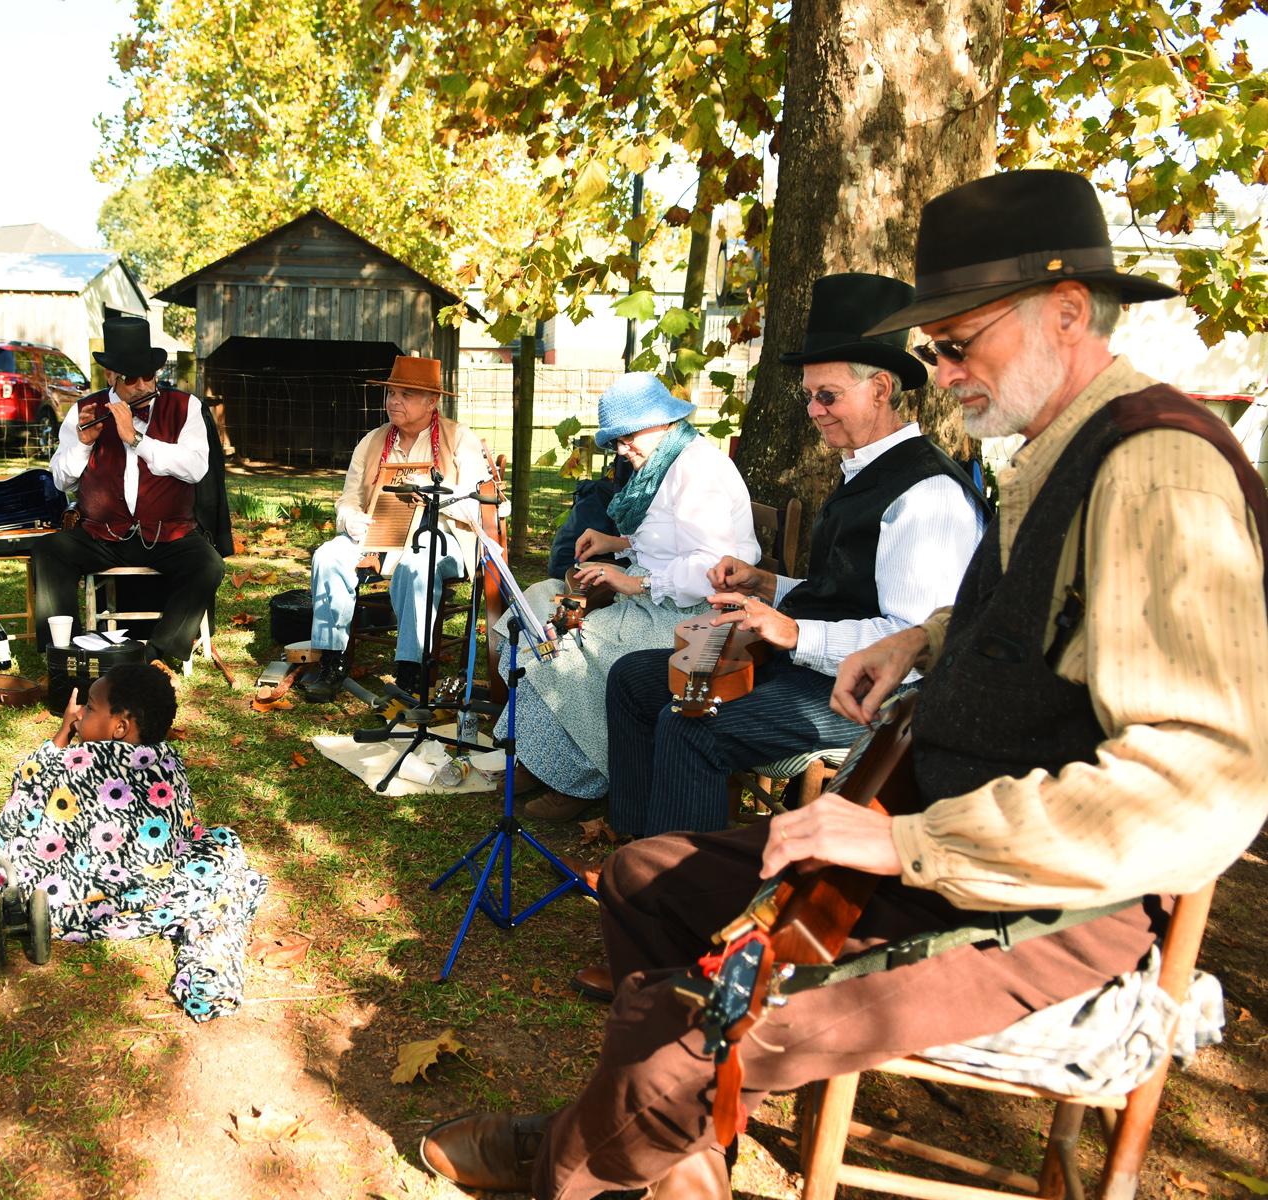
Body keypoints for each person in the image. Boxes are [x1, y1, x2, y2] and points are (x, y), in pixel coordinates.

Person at [416, 168, 1268, 1200]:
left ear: (1069, 310)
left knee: (674, 1033)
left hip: (1042, 904)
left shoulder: (1157, 471)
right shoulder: (1065, 448)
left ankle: (569, 1153)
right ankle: (678, 1163)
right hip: (936, 833)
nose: (943, 373)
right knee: (643, 882)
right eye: (937, 351)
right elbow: (1057, 623)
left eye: (958, 345)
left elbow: (1203, 783)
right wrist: (924, 640)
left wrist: (906, 841)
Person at [600, 272, 987, 841]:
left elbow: (913, 641)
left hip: (877, 696)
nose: (813, 410)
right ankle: (634, 852)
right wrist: (766, 586)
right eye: (808, 396)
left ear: (880, 389)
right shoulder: (867, 469)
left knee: (692, 728)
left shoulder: (926, 495)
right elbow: (845, 593)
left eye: (826, 396)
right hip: (818, 666)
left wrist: (793, 633)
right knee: (634, 677)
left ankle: (677, 890)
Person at [494, 373, 758, 819]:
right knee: (540, 619)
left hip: (696, 616)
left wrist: (632, 582)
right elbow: (669, 541)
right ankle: (542, 762)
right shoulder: (663, 463)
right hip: (662, 600)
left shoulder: (698, 470)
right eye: (615, 440)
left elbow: (713, 568)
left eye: (627, 436)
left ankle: (581, 781)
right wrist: (616, 544)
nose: (621, 449)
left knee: (565, 647)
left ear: (662, 422)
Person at [0, 663, 268, 1021]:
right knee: (219, 848)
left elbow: (28, 784)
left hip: (91, 886)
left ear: (119, 727)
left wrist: (63, 733)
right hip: (163, 875)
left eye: (90, 707)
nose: (81, 713)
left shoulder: (79, 763)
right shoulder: (167, 760)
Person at [32, 315, 225, 669]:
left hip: (169, 533)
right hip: (103, 535)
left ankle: (156, 653)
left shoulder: (186, 408)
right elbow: (61, 480)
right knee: (48, 550)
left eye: (148, 376)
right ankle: (65, 651)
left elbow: (196, 468)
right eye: (131, 378)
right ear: (111, 377)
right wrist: (83, 447)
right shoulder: (83, 411)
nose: (141, 385)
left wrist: (137, 440)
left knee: (208, 564)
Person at [298, 355, 493, 701]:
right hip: (377, 536)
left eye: (405, 394)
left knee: (417, 564)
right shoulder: (372, 440)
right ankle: (332, 662)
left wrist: (435, 493)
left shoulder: (459, 439)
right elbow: (348, 500)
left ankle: (409, 673)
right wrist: (350, 519)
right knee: (328, 555)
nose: (393, 401)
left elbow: (481, 506)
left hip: (441, 536)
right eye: (390, 393)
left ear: (432, 402)